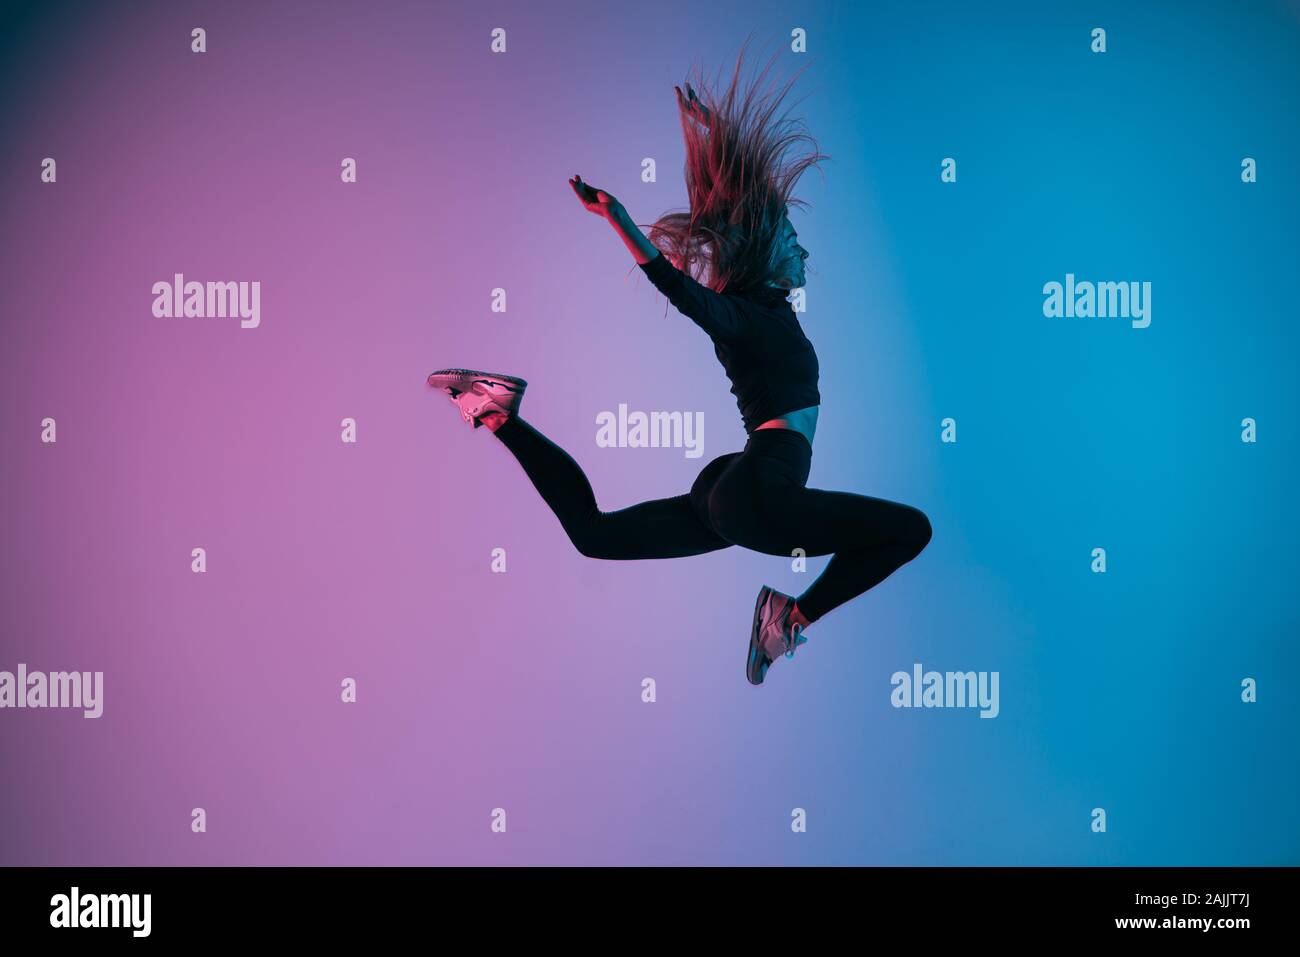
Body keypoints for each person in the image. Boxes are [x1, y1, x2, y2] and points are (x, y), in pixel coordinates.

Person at [429, 50, 931, 685]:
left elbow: (759, 207)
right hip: (755, 488)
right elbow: (683, 293)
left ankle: (502, 415)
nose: (804, 252)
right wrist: (616, 217)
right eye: (795, 244)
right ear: (776, 252)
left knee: (595, 536)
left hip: (735, 488)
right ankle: (787, 619)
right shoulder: (743, 317)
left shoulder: (767, 306)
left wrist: (716, 131)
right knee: (910, 530)